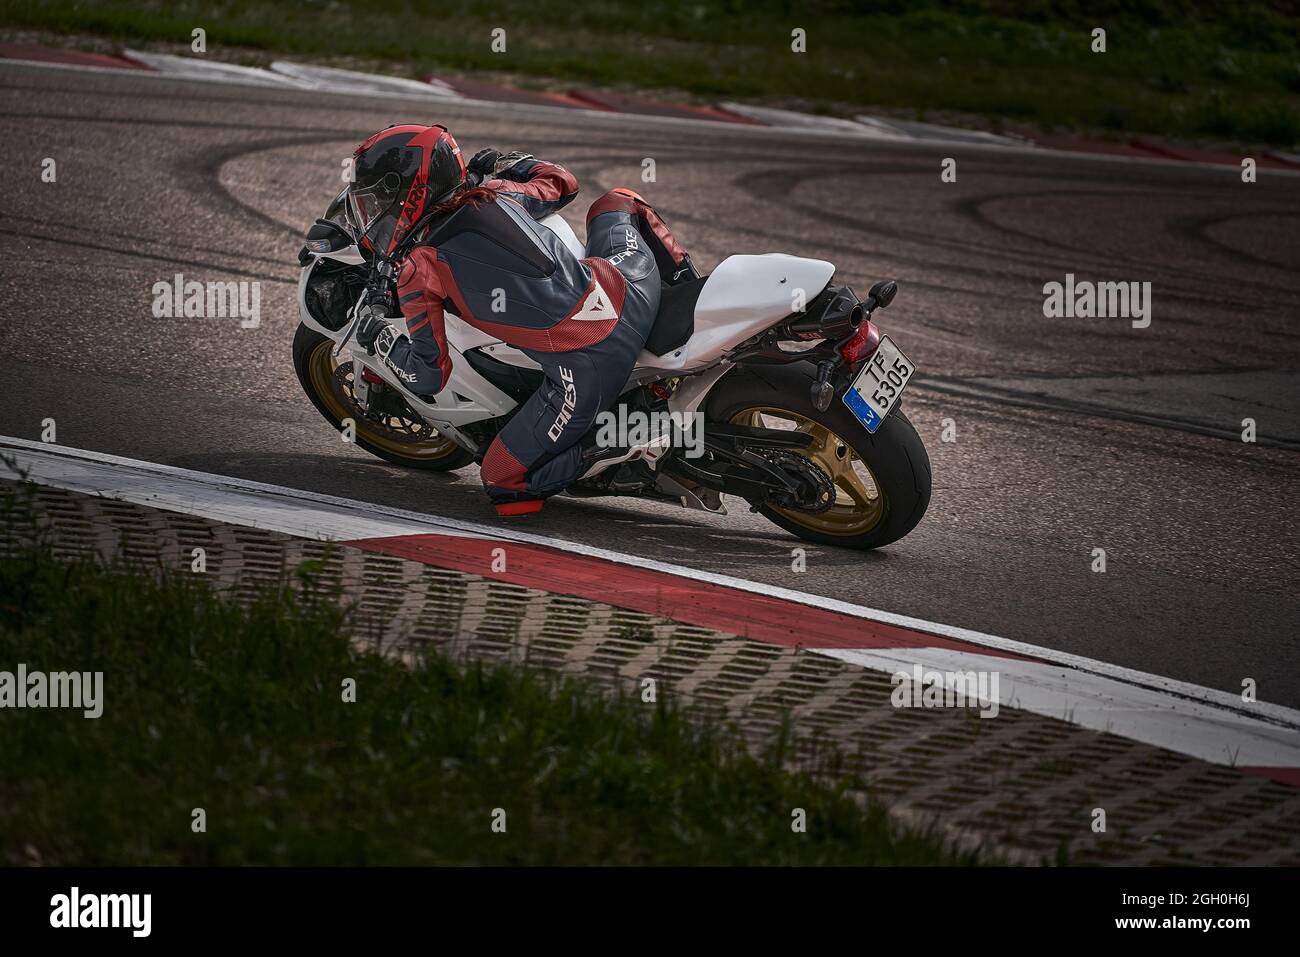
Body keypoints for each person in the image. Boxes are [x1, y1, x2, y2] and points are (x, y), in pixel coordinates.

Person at [345, 124, 690, 516]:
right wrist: (513, 163)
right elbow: (563, 183)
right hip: (630, 281)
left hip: (591, 362)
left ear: (409, 195)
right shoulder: (496, 193)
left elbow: (428, 376)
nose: (375, 213)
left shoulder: (418, 268)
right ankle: (690, 295)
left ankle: (639, 437)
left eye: (380, 200)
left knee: (503, 482)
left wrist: (381, 340)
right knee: (618, 200)